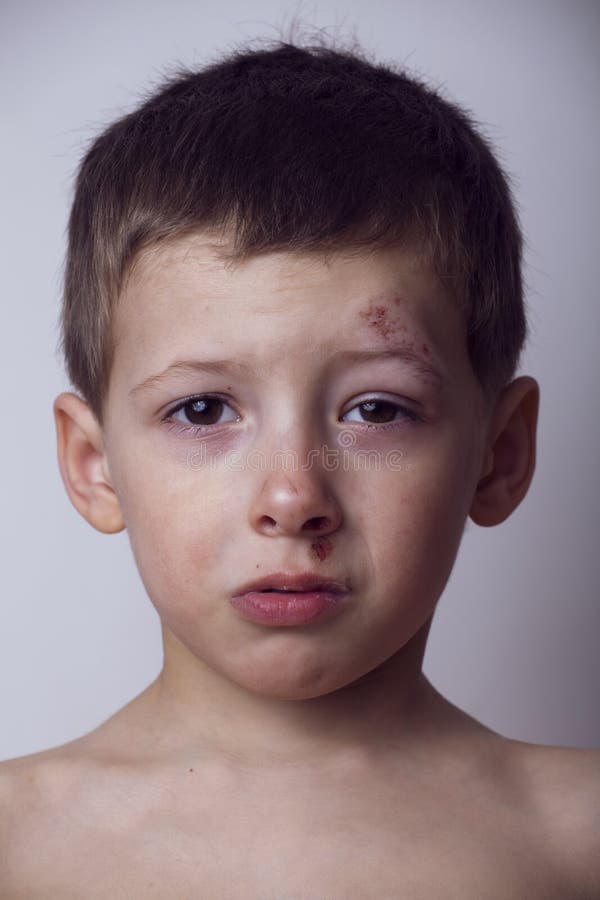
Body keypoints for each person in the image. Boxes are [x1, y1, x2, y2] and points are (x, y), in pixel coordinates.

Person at [2, 38, 598, 898]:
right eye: (203, 410)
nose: (292, 498)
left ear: (499, 456)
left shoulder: (578, 839)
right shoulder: (15, 845)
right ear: (94, 465)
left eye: (377, 410)